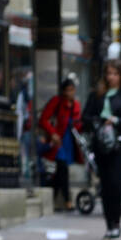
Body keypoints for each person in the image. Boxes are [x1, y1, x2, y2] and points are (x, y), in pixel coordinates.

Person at [83, 60, 121, 240]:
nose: (111, 77)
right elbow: (85, 116)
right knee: (105, 184)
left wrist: (116, 120)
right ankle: (109, 223)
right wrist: (98, 121)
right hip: (101, 144)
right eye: (108, 73)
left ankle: (116, 222)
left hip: (119, 144)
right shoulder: (97, 94)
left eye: (115, 74)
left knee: (116, 183)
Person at [38, 78, 83, 212]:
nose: (70, 93)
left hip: (70, 141)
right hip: (58, 141)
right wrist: (53, 133)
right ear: (63, 91)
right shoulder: (56, 102)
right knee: (63, 168)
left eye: (72, 90)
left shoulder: (76, 105)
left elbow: (78, 124)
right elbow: (43, 120)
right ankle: (67, 200)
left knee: (60, 171)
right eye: (67, 90)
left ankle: (53, 199)